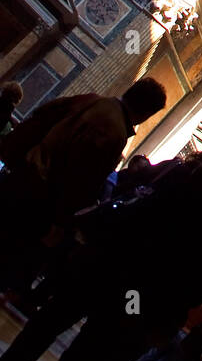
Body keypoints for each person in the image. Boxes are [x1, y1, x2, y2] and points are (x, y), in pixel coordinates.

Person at [10, 160, 202, 361]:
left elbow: (126, 201)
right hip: (131, 301)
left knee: (42, 332)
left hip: (98, 270)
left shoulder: (179, 179)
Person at [0, 77, 166, 288]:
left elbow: (42, 115)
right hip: (39, 201)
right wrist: (60, 223)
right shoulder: (115, 133)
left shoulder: (90, 100)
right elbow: (80, 181)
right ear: (146, 114)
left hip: (21, 177)